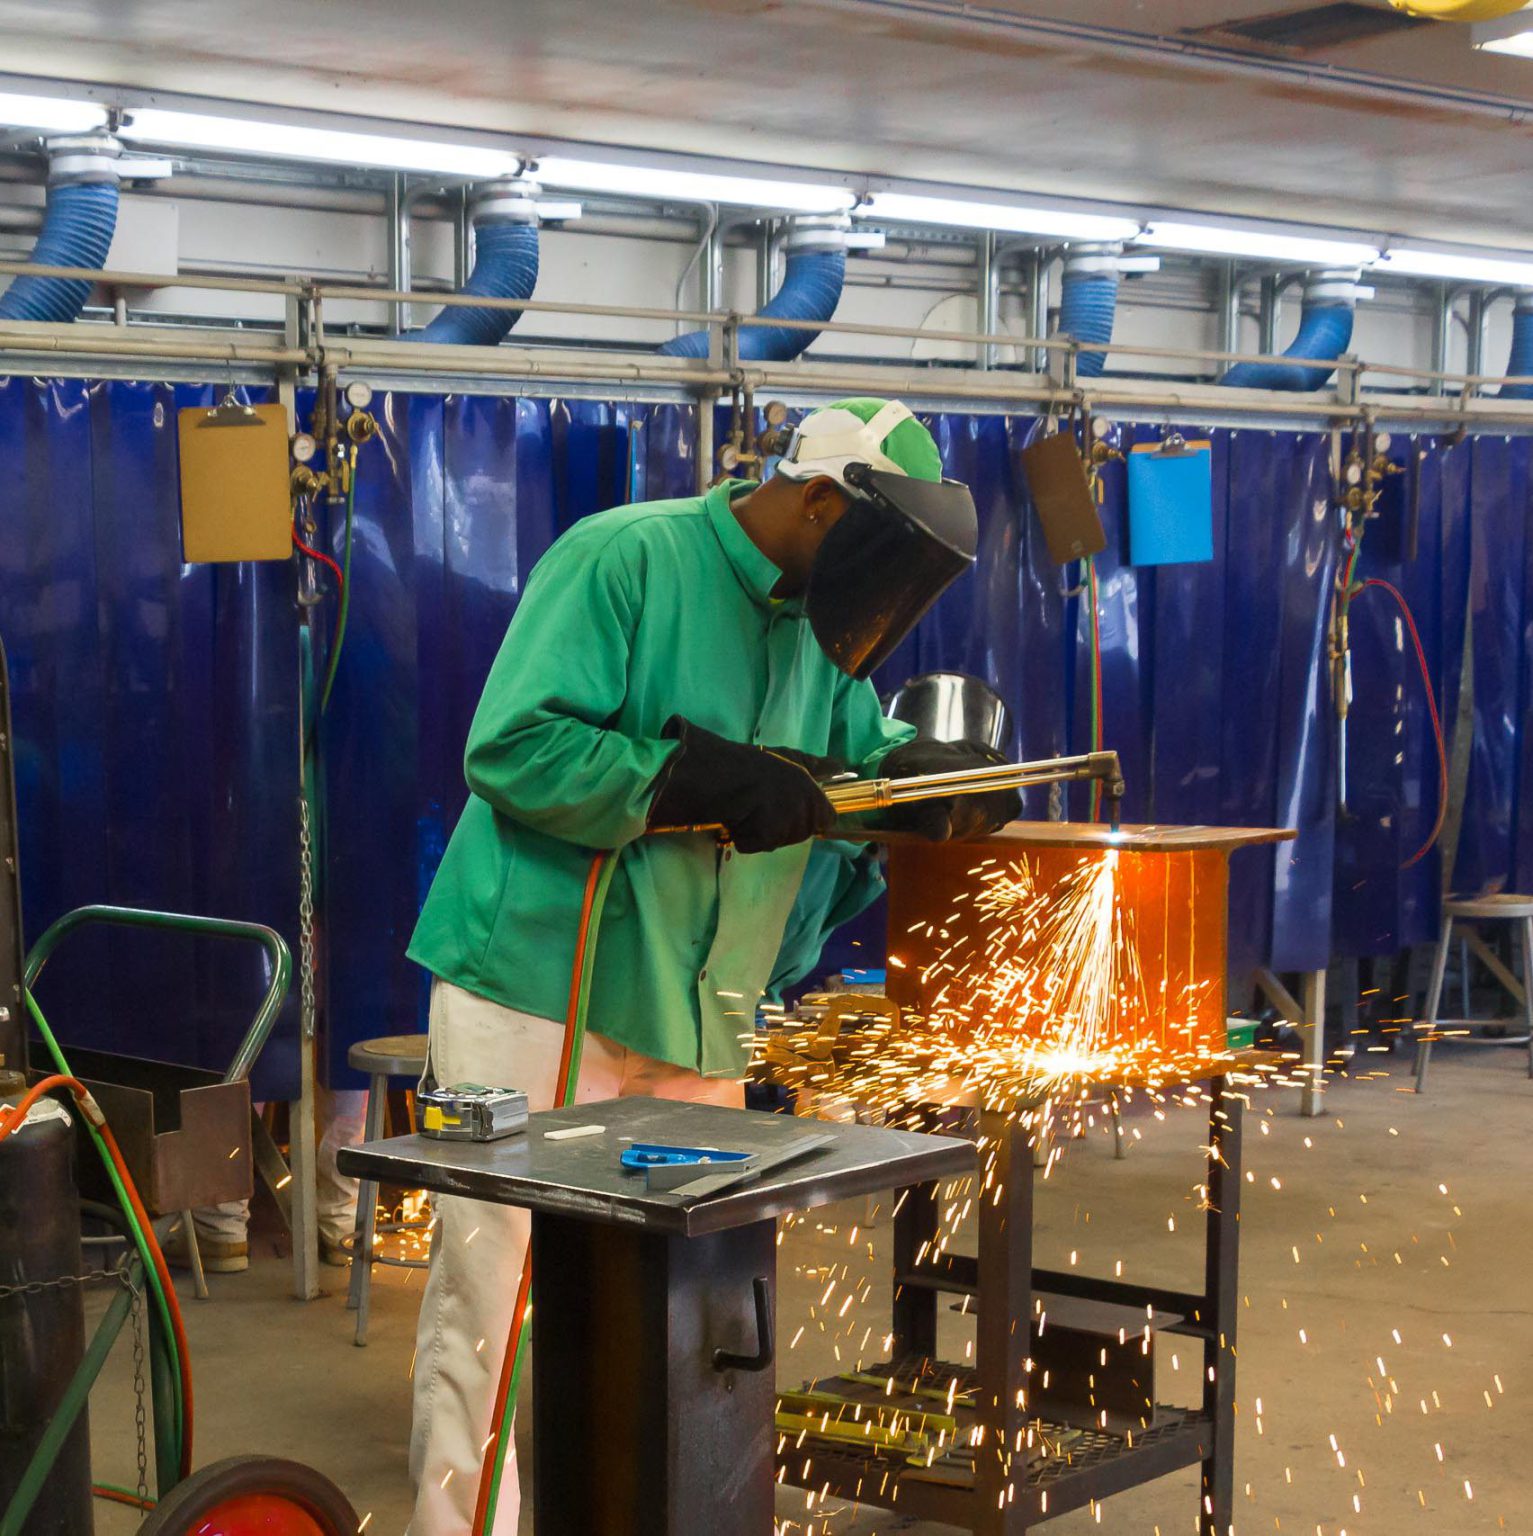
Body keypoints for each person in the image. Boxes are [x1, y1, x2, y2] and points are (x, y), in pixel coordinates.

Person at [403, 397, 1018, 1534]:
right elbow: (512, 745)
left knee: (697, 1312)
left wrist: (933, 785)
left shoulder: (824, 634)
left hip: (702, 1012)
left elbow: (861, 765)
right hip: (542, 990)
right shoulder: (627, 558)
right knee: (494, 1298)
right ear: (821, 500)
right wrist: (680, 778)